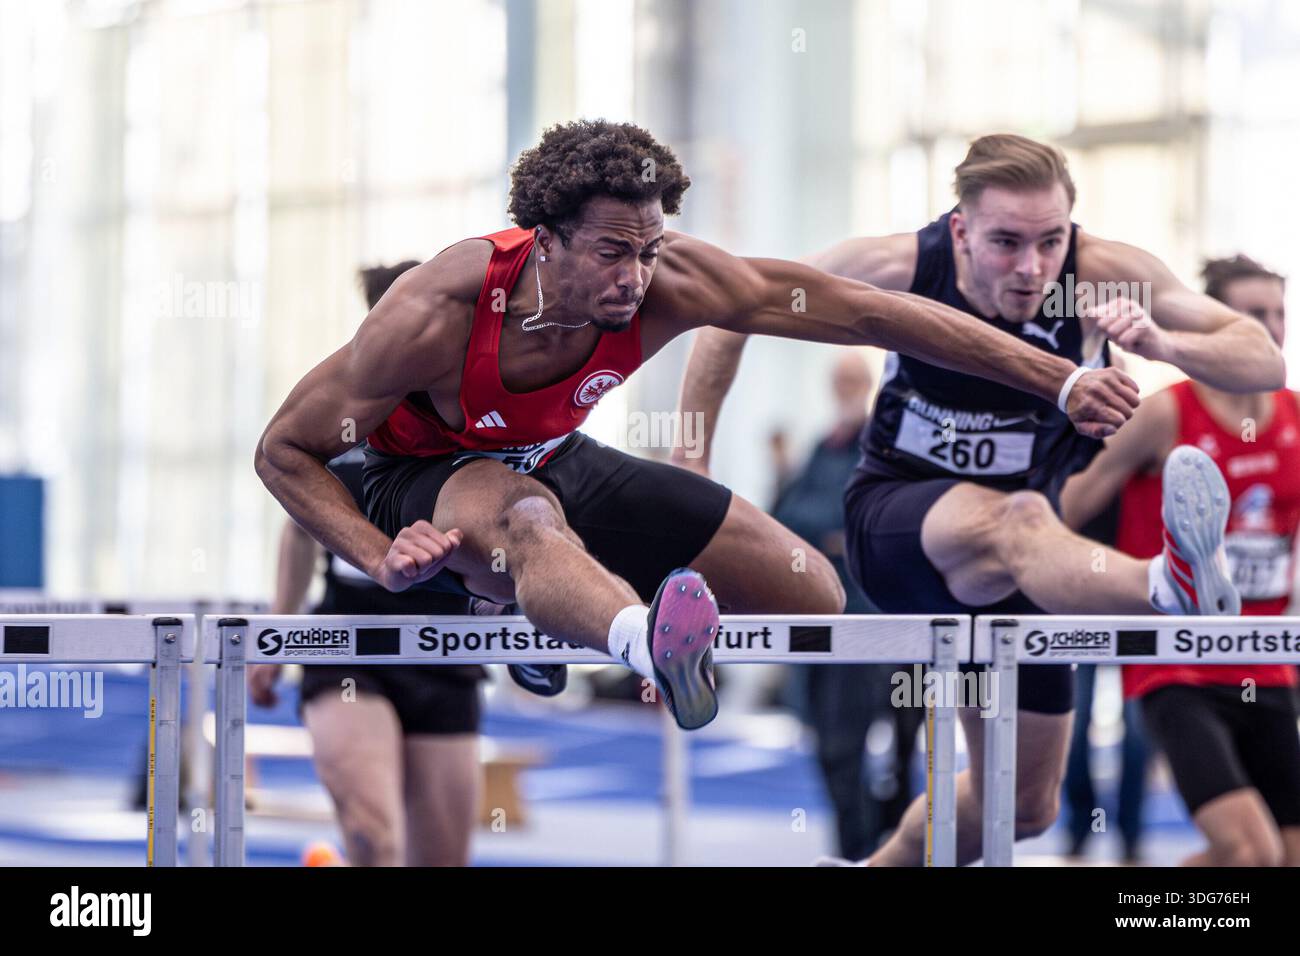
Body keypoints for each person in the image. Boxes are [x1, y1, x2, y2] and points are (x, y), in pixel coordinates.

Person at [255, 120, 1140, 734]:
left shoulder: (671, 279)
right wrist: (375, 554)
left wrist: (1060, 380)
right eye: (610, 253)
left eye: (647, 250)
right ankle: (642, 646)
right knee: (522, 514)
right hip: (423, 476)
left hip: (553, 457)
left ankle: (549, 609)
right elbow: (284, 451)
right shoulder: (439, 309)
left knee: (811, 592)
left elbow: (870, 314)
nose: (634, 279)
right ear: (544, 240)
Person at [676, 133, 1284, 862]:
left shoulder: (1100, 274)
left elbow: (1263, 355)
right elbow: (726, 313)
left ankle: (875, 867)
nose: (1031, 267)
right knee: (1017, 517)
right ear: (961, 229)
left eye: (1050, 241)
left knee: (1022, 806)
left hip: (1027, 567)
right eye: (1006, 242)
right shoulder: (898, 265)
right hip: (901, 528)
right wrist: (692, 468)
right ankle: (1165, 582)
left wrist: (1165, 343)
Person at [1061, 254, 1300, 867]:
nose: (1271, 327)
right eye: (1252, 315)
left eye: (1279, 313)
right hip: (1178, 663)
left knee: (1287, 856)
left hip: (1267, 661)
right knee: (1249, 850)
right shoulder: (1166, 413)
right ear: (1217, 324)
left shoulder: (1297, 416)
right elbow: (1070, 504)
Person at [249, 262, 484, 867]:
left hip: (446, 650)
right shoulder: (342, 417)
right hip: (349, 644)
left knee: (442, 860)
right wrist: (279, 629)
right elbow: (300, 529)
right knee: (375, 843)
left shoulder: (480, 419)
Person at [772, 351, 924, 859]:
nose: (846, 390)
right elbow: (784, 518)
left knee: (891, 751)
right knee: (834, 748)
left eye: (854, 381)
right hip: (826, 623)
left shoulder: (882, 449)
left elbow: (862, 522)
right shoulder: (824, 447)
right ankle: (860, 846)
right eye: (840, 381)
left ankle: (879, 846)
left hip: (881, 623)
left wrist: (831, 536)